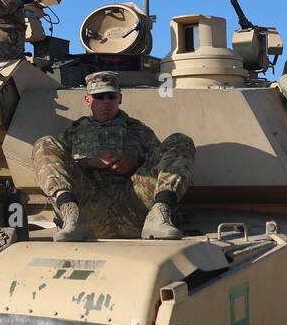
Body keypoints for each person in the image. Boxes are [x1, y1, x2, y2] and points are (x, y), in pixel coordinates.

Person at [31, 72, 195, 241]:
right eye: (99, 96)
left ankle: (160, 214)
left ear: (120, 98)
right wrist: (89, 163)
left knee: (180, 141)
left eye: (111, 96)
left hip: (134, 205)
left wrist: (135, 163)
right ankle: (70, 214)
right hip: (88, 210)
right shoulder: (73, 132)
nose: (106, 101)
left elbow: (162, 164)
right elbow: (58, 164)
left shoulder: (139, 130)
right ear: (88, 100)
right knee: (45, 143)